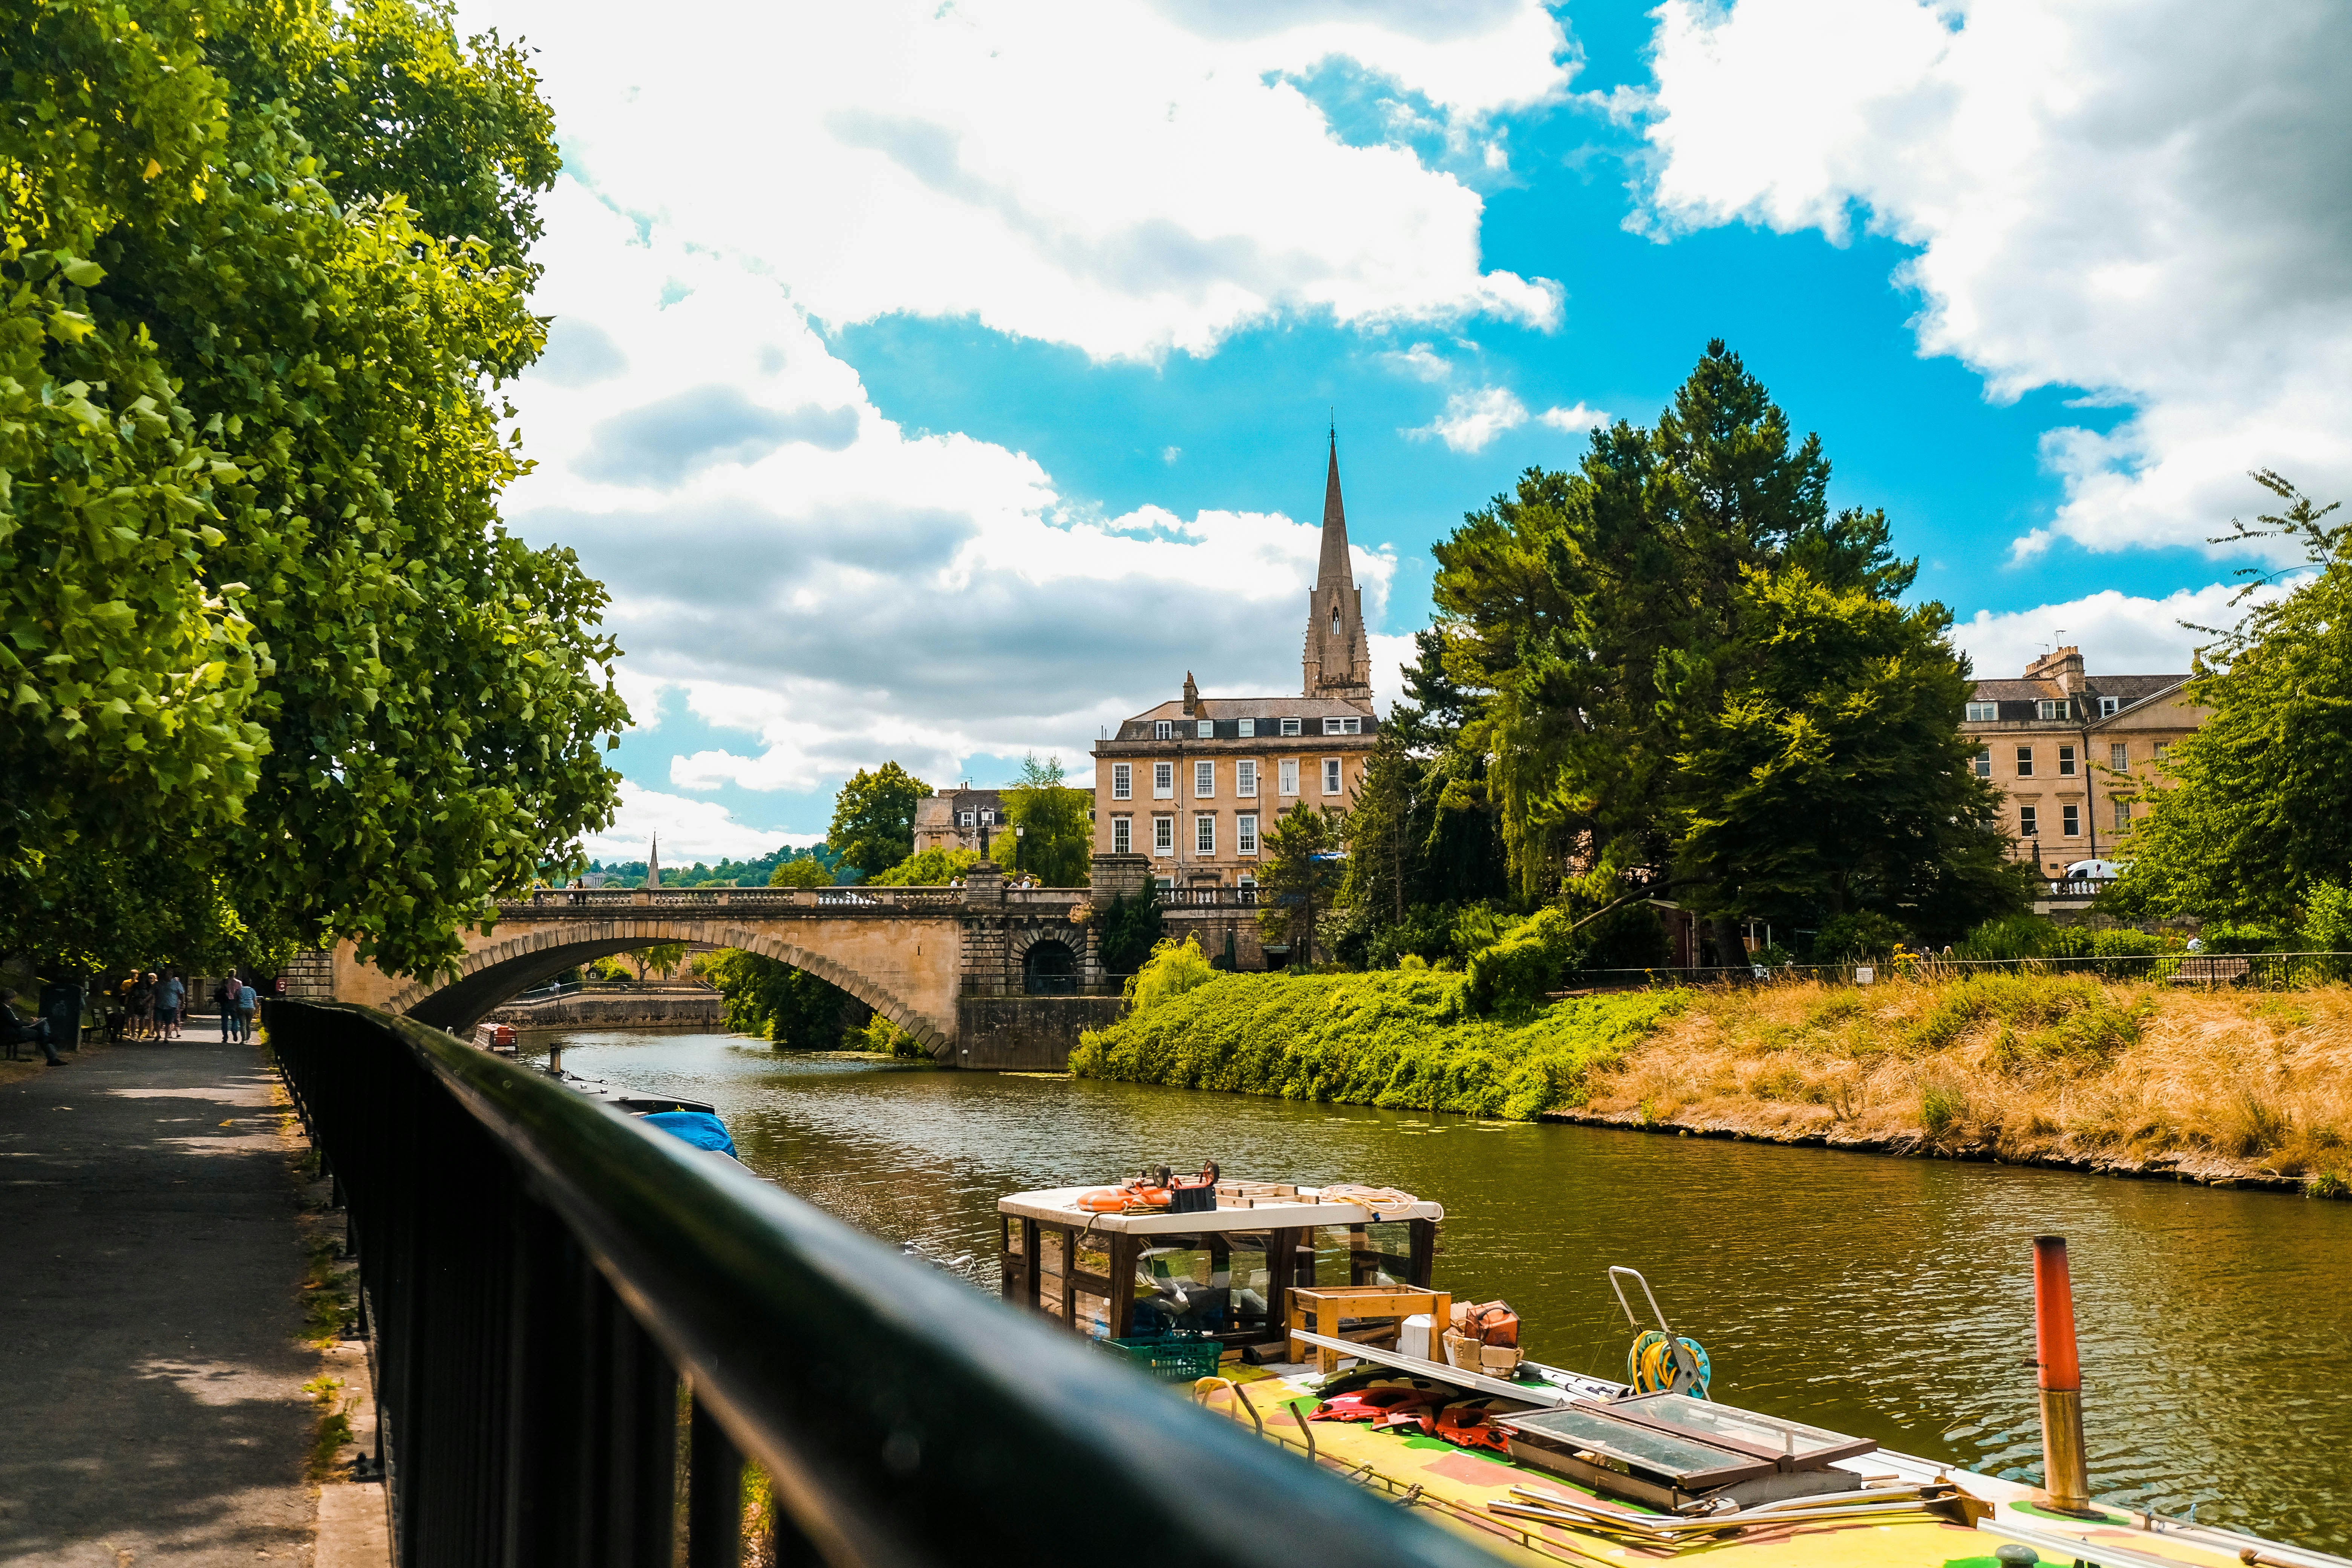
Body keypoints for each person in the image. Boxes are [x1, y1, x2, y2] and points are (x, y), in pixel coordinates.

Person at [0, 989, 63, 1066]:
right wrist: (29, 1024)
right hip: (11, 1032)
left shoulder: (6, 1008)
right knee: (41, 1035)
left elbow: (15, 1020)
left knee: (42, 1026)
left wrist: (31, 1022)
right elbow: (14, 1023)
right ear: (8, 999)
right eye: (12, 999)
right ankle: (52, 1054)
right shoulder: (3, 1009)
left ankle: (49, 1041)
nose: (13, 1001)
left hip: (14, 1029)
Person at [156, 970, 184, 1040]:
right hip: (159, 1005)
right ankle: (158, 1035)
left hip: (172, 1005)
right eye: (167, 974)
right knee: (157, 1021)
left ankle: (166, 1037)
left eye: (170, 974)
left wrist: (183, 1003)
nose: (169, 976)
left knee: (169, 1022)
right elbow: (153, 992)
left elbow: (182, 993)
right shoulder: (159, 983)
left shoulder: (177, 983)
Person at [129, 971, 156, 1041]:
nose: (141, 979)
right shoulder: (136, 985)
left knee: (142, 1020)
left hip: (145, 1005)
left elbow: (151, 995)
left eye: (143, 977)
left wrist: (145, 1001)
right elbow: (131, 993)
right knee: (134, 1019)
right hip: (136, 1003)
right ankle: (133, 1035)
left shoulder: (149, 986)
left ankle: (139, 1036)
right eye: (140, 977)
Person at [214, 974, 238, 1042]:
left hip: (224, 1005)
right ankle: (234, 1030)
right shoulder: (237, 984)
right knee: (235, 1019)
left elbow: (217, 993)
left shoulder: (223, 986)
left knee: (225, 1021)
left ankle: (225, 1037)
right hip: (233, 1004)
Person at [234, 977, 257, 1043]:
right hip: (250, 1008)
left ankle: (243, 1039)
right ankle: (248, 1038)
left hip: (241, 1008)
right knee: (248, 1024)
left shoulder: (240, 990)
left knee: (243, 1024)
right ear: (250, 983)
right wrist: (255, 1008)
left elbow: (236, 998)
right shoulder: (252, 990)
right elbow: (255, 1000)